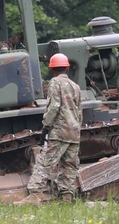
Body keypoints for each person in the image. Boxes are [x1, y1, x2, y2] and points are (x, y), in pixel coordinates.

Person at [25, 53, 83, 203]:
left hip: (59, 131)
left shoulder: (54, 83)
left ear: (52, 69)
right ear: (67, 69)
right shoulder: (75, 86)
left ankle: (34, 195)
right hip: (74, 133)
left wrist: (46, 125)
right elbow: (79, 112)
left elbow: (54, 107)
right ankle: (67, 198)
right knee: (69, 166)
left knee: (45, 162)